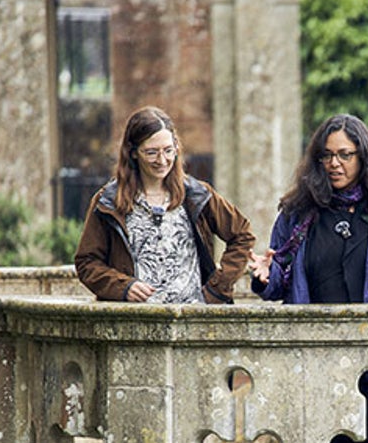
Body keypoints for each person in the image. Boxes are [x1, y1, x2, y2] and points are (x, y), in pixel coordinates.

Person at [75, 106, 254, 304]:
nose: (162, 160)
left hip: (193, 320)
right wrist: (123, 287)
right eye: (151, 153)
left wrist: (218, 288)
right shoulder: (108, 201)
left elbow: (242, 234)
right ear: (133, 153)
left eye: (168, 150)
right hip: (133, 323)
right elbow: (87, 263)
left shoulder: (197, 194)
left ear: (176, 147)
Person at [248, 113, 368, 304]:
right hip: (311, 332)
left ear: (363, 157)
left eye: (345, 155)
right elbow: (277, 285)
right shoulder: (297, 212)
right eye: (327, 155)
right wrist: (266, 276)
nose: (334, 163)